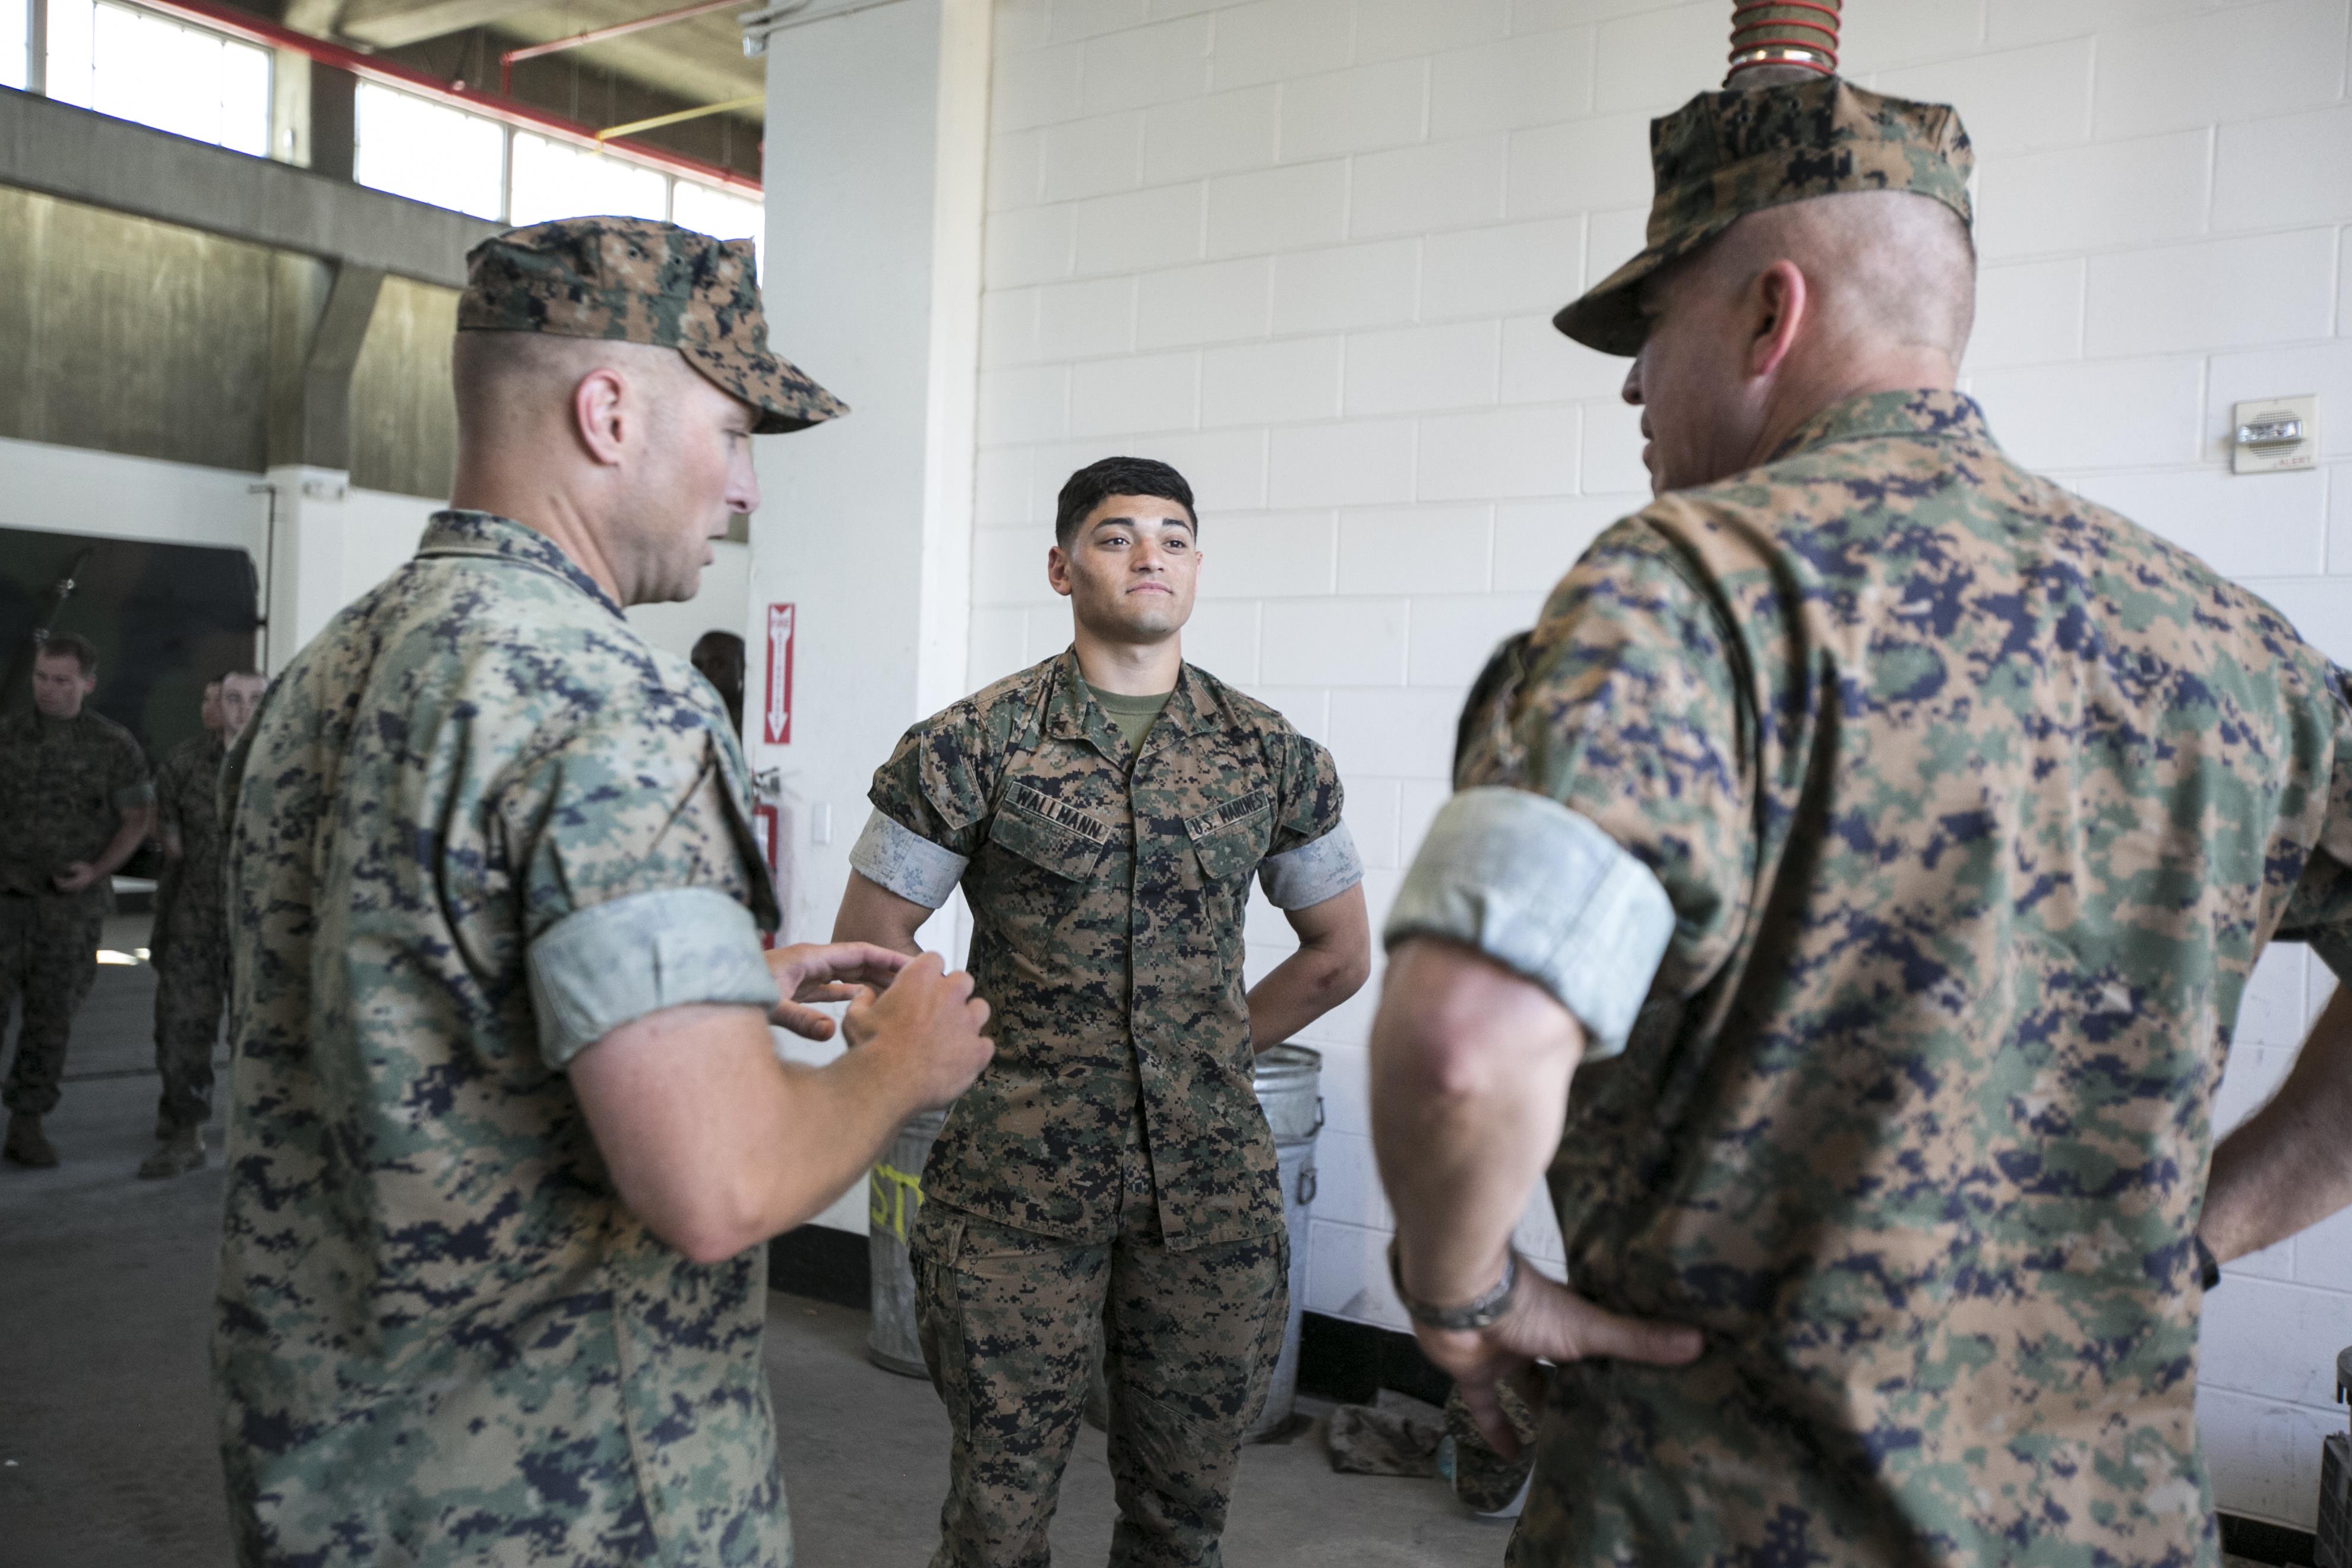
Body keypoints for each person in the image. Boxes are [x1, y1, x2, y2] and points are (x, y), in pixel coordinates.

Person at [1368, 77, 2352, 1566]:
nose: (1633, 389)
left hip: (1712, 1520)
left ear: (1767, 317)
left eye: (1651, 334)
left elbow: (1463, 1045)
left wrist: (1461, 1295)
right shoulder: (2237, 652)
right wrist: (2192, 1235)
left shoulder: (1691, 592)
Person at [211, 217, 995, 1567]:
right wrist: (896, 1071)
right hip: (562, 1501)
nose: (745, 487)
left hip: (334, 1479)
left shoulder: (329, 674)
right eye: (734, 434)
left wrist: (710, 990)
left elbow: (404, 994)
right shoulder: (606, 696)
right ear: (609, 409)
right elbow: (718, 1181)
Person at [832, 455, 1373, 1568]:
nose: (1151, 556)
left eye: (1174, 536)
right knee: (999, 1512)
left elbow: (1338, 954)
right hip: (1016, 1191)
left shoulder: (1271, 756)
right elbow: (870, 955)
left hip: (1209, 1193)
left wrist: (1209, 1052)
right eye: (1119, 535)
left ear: (1198, 566)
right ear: (1061, 565)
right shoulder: (969, 746)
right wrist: (950, 1061)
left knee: (1185, 1521)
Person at [0, 634, 155, 1169]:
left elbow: (139, 818)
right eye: (42, 677)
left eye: (61, 680)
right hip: (5, 903)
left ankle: (27, 1124)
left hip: (69, 911)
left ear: (87, 683)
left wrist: (98, 869)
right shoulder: (8, 735)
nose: (47, 689)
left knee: (51, 1020)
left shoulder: (113, 746)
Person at [140, 669, 267, 1179]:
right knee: (181, 1031)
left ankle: (259, 1135)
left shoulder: (291, 765)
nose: (242, 709)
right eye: (232, 699)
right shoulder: (186, 765)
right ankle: (185, 1134)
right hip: (194, 924)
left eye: (255, 699)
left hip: (261, 930)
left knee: (262, 1038)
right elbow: (166, 838)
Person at [692, 628, 747, 736]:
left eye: (717, 665)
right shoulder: (681, 715)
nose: (704, 673)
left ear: (743, 669)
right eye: (697, 666)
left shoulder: (757, 722)